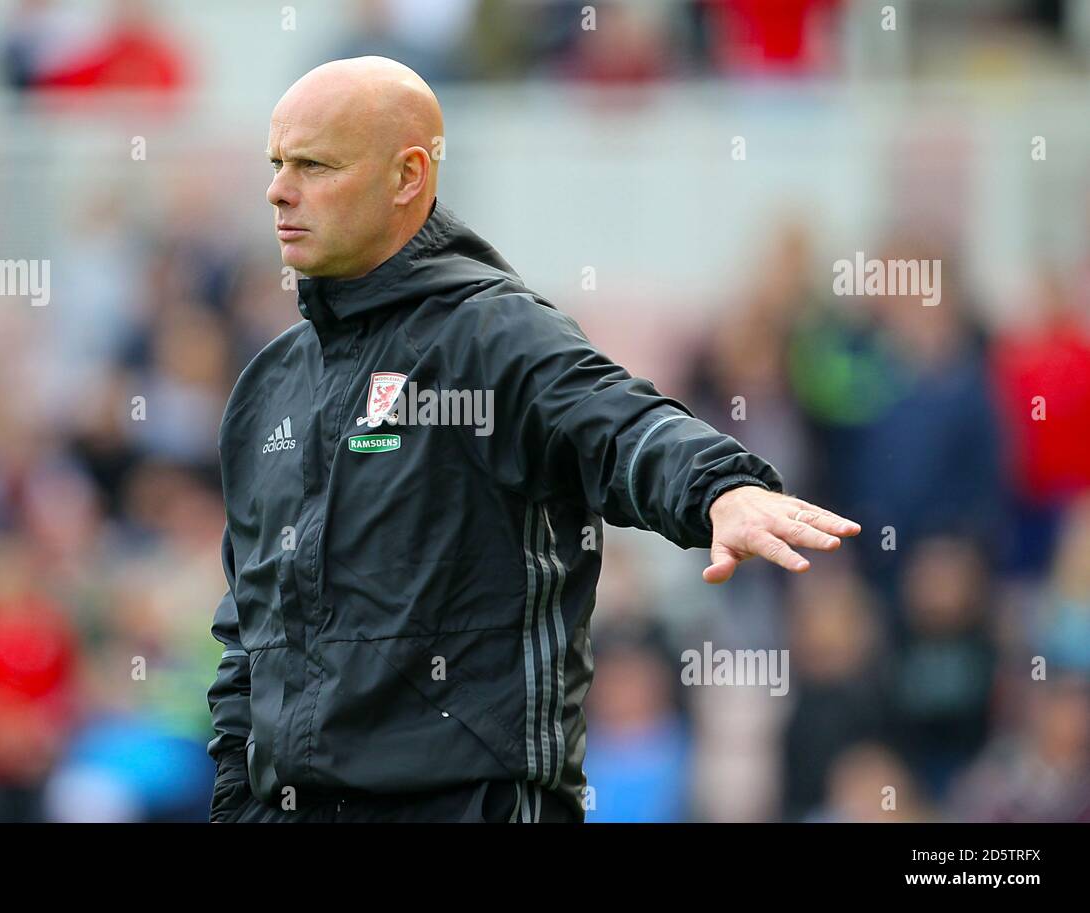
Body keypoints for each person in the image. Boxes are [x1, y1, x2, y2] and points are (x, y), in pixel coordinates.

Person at [206, 56, 859, 823]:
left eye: (314, 164)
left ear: (408, 176)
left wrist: (721, 486)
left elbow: (621, 424)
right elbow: (247, 637)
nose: (279, 189)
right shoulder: (269, 385)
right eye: (278, 162)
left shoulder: (495, 335)